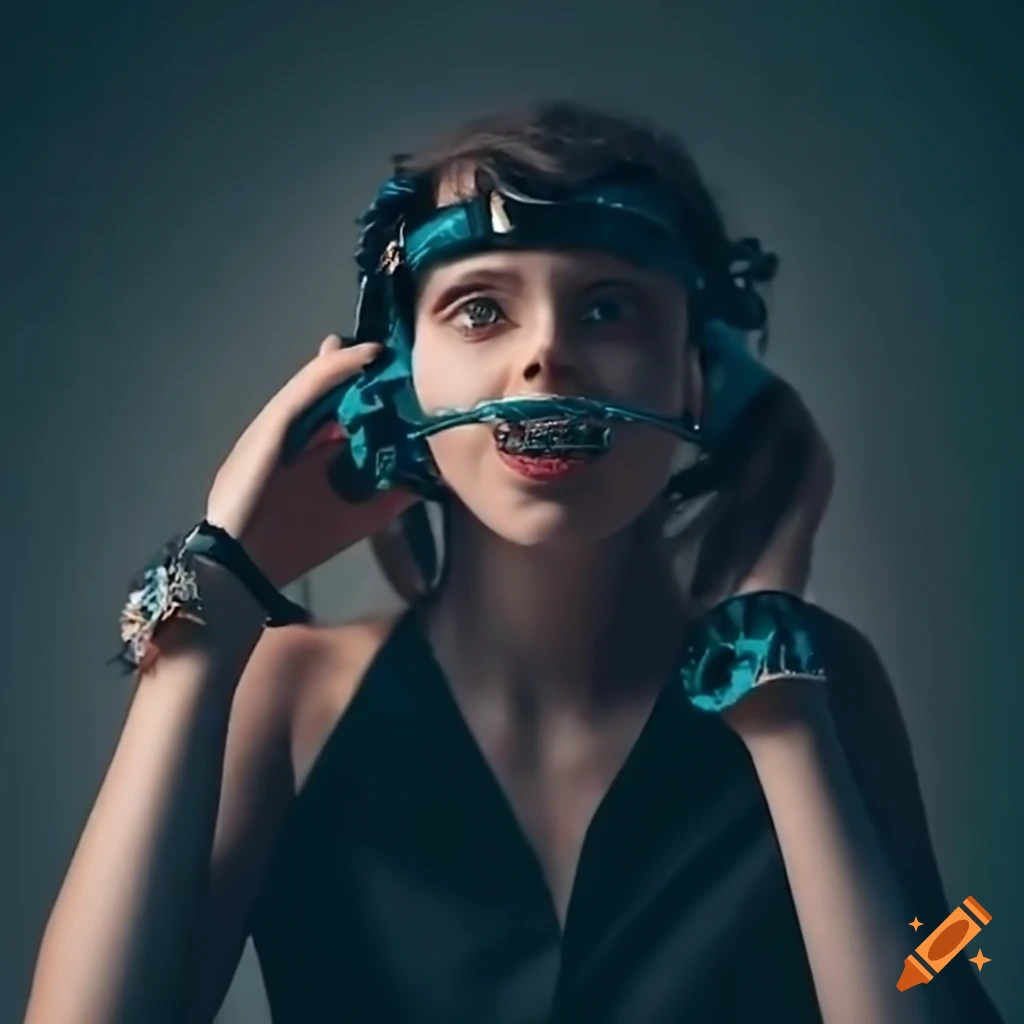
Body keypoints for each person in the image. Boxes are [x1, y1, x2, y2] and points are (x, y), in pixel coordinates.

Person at [24, 103, 1004, 1024]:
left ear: (698, 376)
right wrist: (214, 609)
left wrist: (783, 713)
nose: (546, 355)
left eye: (608, 309)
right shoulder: (289, 693)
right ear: (395, 380)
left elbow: (949, 958)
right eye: (481, 309)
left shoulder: (823, 677)